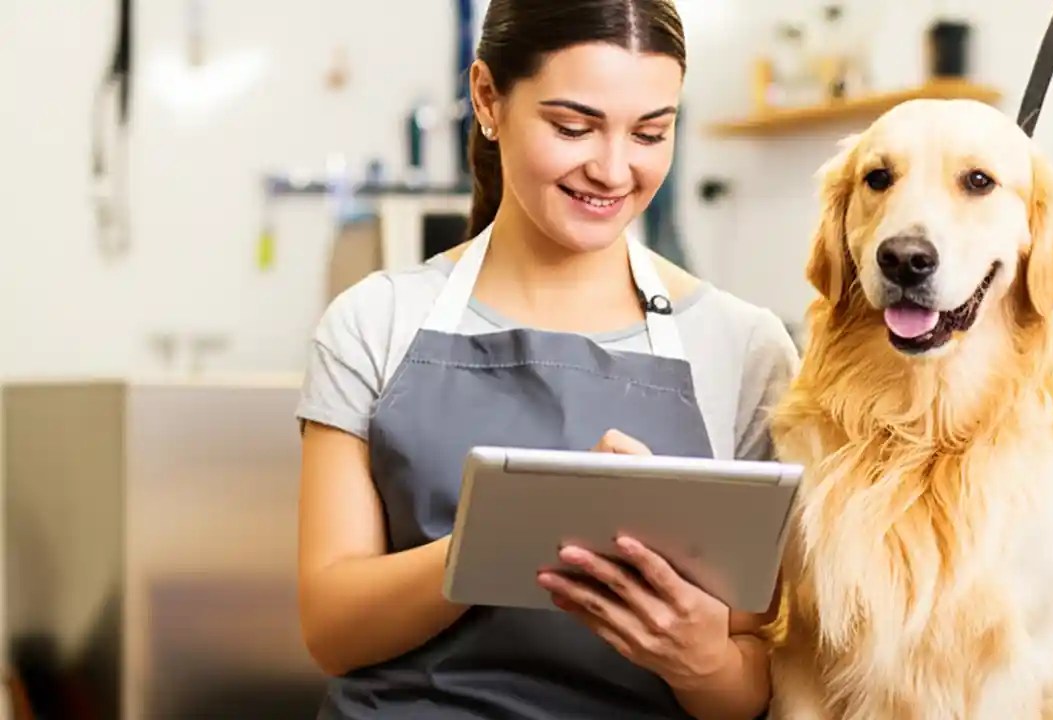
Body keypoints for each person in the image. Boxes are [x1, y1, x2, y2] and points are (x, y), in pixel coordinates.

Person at [293, 1, 799, 717]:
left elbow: (758, 682)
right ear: (488, 98)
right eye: (573, 127)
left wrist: (705, 660)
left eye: (651, 132)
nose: (615, 169)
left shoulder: (746, 348)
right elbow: (331, 629)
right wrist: (509, 532)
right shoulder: (373, 323)